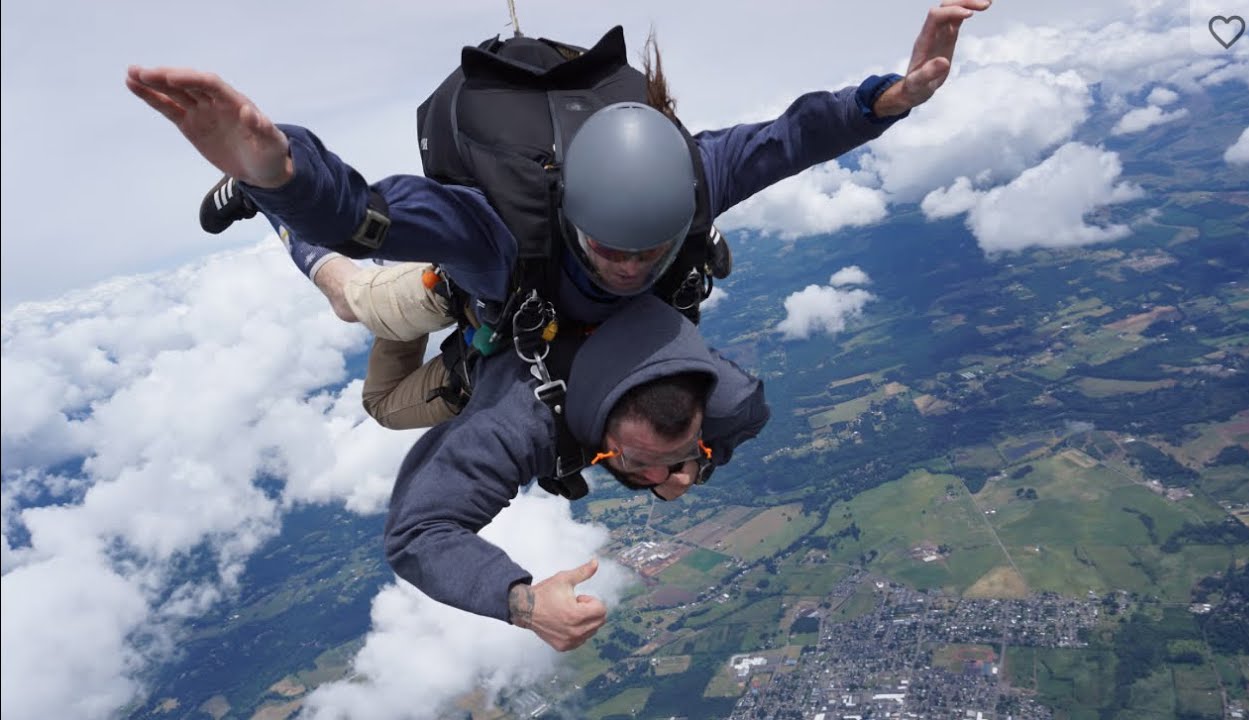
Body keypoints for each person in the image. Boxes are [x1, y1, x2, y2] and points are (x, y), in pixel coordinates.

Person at [125, 0, 991, 333]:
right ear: (570, 209)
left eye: (648, 251)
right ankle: (257, 203)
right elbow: (361, 213)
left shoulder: (690, 183)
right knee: (359, 301)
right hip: (469, 282)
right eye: (612, 247)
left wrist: (887, 100)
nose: (631, 266)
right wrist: (282, 175)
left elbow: (788, 138)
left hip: (534, 309)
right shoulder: (497, 229)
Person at [384, 294, 770, 650]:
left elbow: (749, 416)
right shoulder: (521, 426)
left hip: (600, 320)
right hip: (494, 339)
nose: (658, 478)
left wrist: (699, 461)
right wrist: (524, 605)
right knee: (383, 402)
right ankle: (410, 292)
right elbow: (417, 531)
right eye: (636, 459)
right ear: (595, 422)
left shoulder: (728, 401)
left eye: (675, 454)